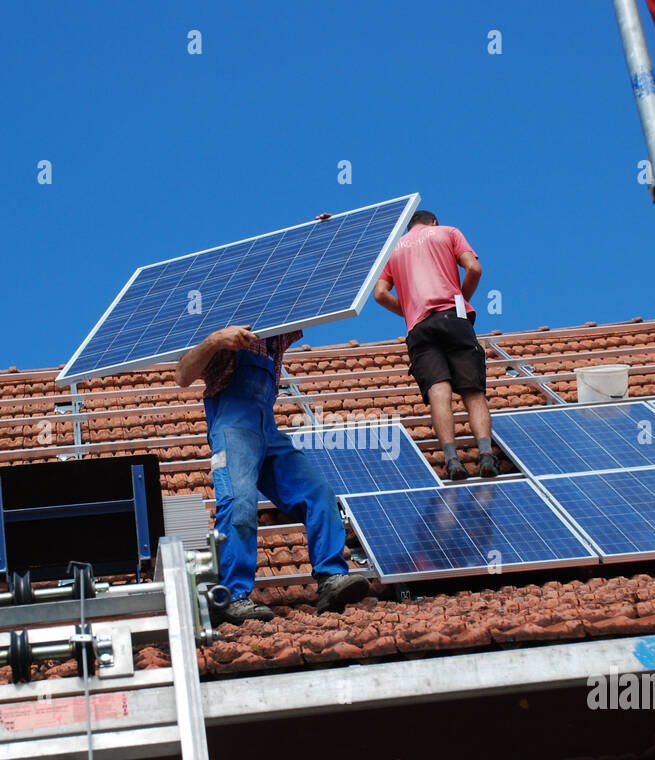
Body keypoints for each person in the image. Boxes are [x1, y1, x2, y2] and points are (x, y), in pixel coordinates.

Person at [176, 323, 370, 624]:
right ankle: (231, 596)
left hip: (267, 429)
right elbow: (182, 375)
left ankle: (331, 577)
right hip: (233, 425)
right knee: (239, 501)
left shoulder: (278, 328)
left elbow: (314, 299)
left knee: (318, 493)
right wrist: (215, 340)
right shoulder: (220, 324)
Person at [373, 210, 496, 480]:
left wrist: (409, 310)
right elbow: (474, 268)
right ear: (434, 222)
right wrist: (460, 301)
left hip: (419, 328)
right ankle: (486, 454)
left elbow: (380, 294)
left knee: (439, 392)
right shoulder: (448, 232)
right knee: (472, 391)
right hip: (453, 318)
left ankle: (451, 459)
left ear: (410, 227)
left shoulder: (393, 249)